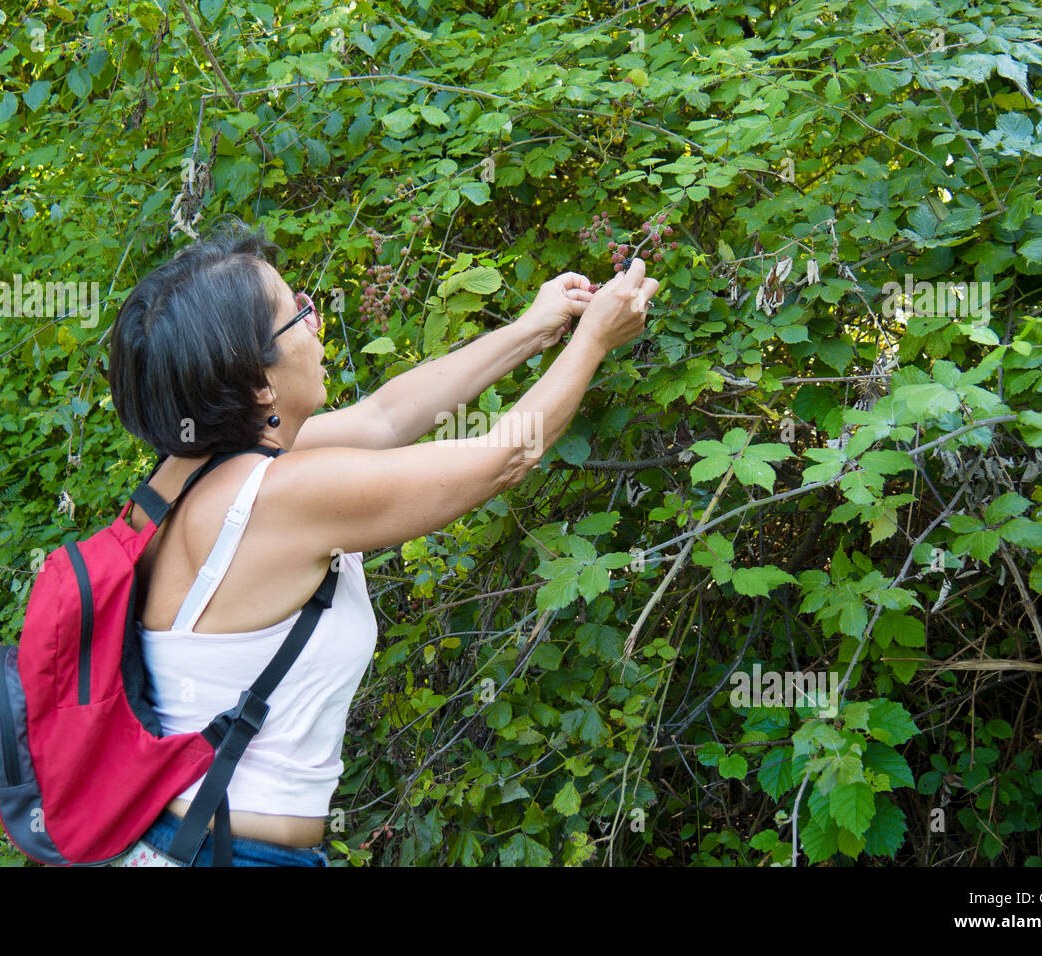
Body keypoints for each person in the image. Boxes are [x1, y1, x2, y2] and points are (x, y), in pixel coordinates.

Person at [105, 219, 659, 866]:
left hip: (181, 841)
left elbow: (385, 418)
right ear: (260, 384)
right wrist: (594, 340)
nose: (315, 324)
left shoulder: (188, 474)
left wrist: (536, 327)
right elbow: (501, 459)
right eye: (299, 317)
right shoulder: (276, 498)